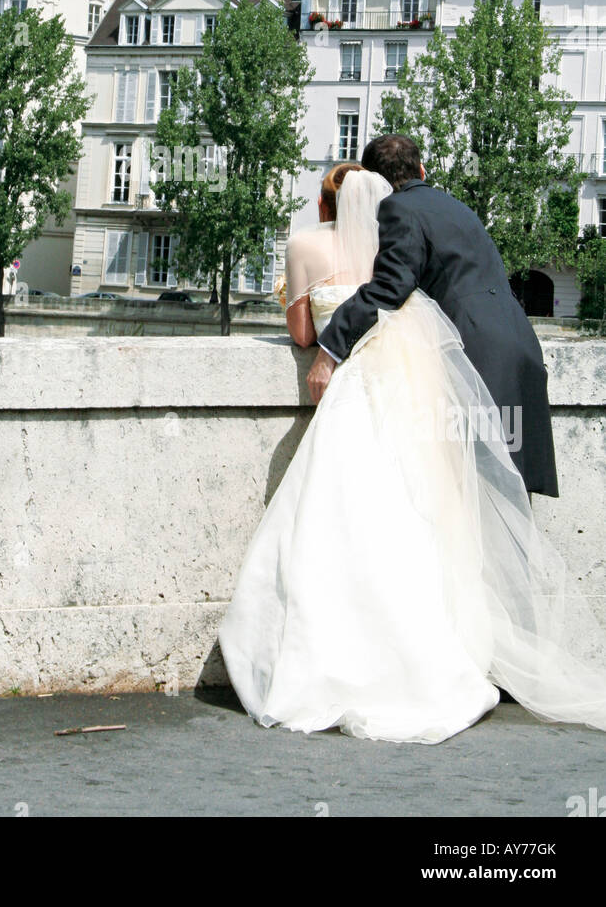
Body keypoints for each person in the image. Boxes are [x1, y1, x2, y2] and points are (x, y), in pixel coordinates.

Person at [217, 160, 606, 743]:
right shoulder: (441, 209)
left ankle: (424, 654)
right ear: (418, 169)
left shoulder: (365, 225)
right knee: (445, 506)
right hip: (481, 352)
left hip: (429, 362)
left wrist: (328, 347)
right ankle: (467, 645)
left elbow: (371, 297)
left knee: (388, 509)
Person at [309, 134, 557, 498]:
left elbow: (389, 288)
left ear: (375, 182)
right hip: (517, 344)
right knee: (508, 497)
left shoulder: (398, 209)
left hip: (477, 354)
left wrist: (329, 349)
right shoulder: (454, 206)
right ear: (421, 169)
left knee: (478, 495)